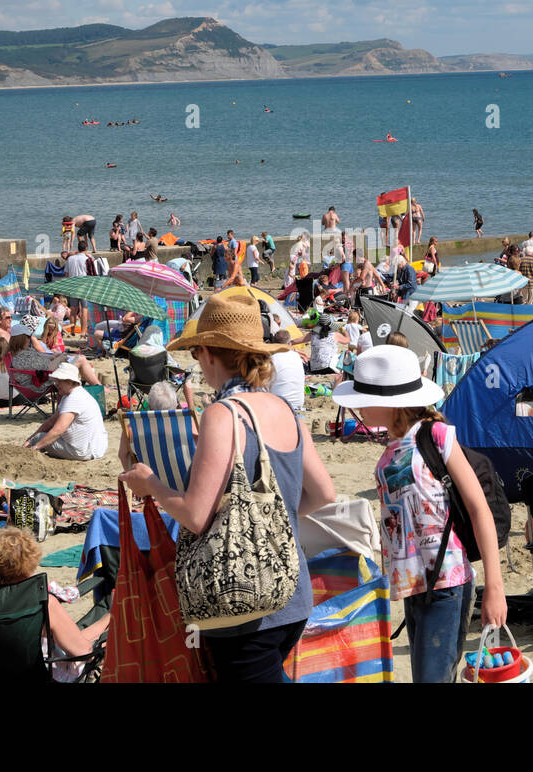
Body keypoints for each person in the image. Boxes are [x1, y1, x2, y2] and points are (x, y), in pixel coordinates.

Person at [123, 292, 336, 682]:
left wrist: (150, 484)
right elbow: (324, 494)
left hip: (242, 601)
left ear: (206, 353)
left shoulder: (223, 414)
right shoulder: (285, 408)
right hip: (291, 590)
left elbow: (195, 514)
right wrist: (269, 516)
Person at [331, 345, 506, 682]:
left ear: (389, 402)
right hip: (414, 585)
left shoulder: (434, 434)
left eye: (362, 398)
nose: (356, 408)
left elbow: (477, 507)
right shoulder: (395, 446)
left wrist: (495, 587)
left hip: (444, 580)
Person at [0, 528, 110, 682]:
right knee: (104, 644)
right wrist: (111, 616)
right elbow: (83, 651)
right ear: (31, 560)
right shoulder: (44, 602)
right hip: (44, 674)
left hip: (1, 672)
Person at [25, 363, 108, 461]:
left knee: (39, 438)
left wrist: (35, 446)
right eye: (56, 381)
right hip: (94, 448)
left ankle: (24, 454)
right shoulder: (72, 394)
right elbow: (51, 421)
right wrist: (30, 439)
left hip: (83, 451)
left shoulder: (74, 398)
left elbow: (58, 430)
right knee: (39, 437)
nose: (56, 385)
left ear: (70, 382)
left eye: (59, 381)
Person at [269, 330, 306, 415]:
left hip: (278, 405)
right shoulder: (296, 356)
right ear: (289, 344)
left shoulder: (271, 359)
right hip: (298, 404)